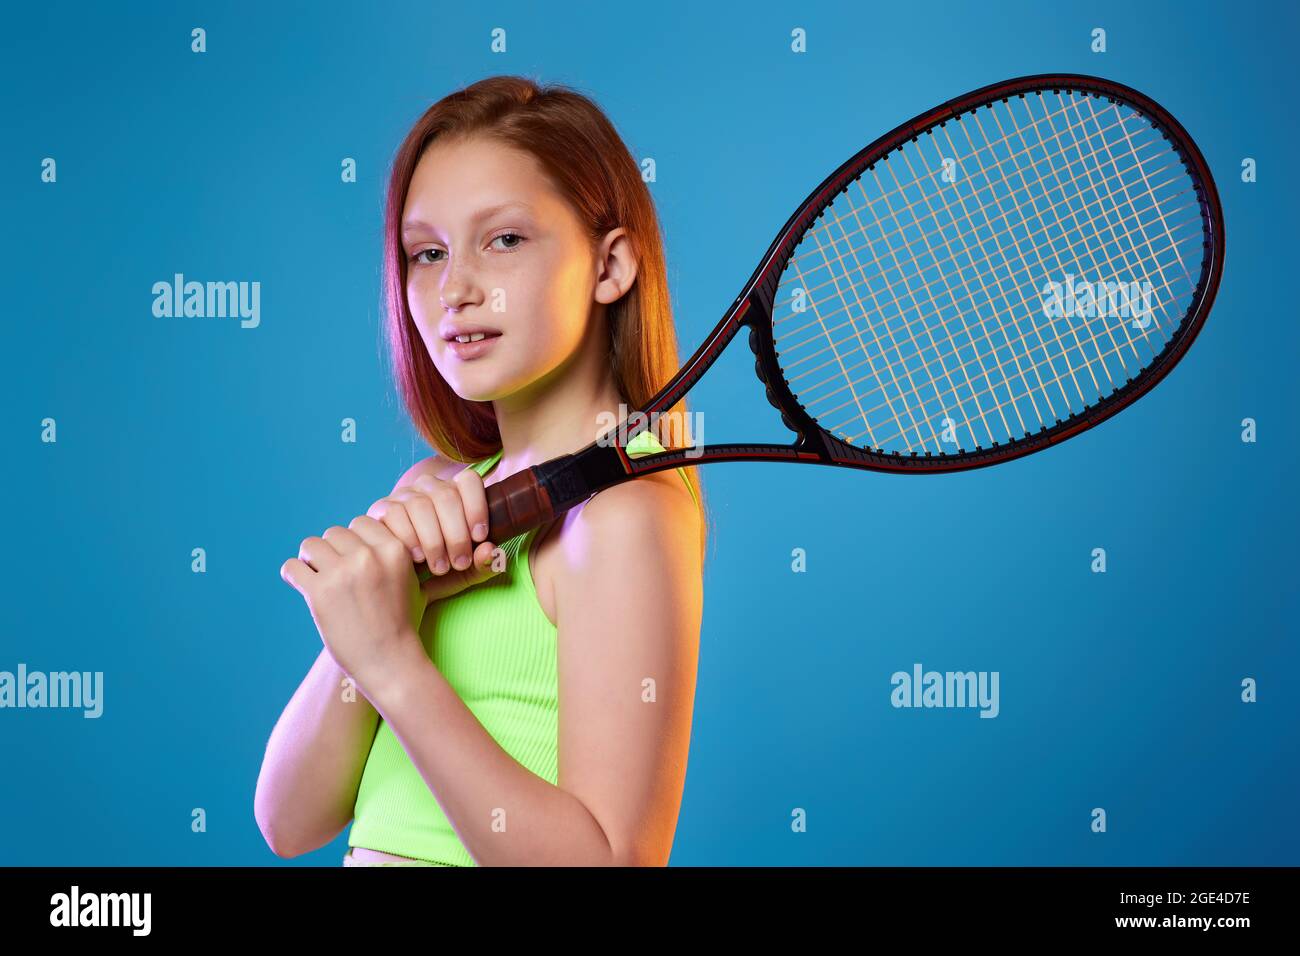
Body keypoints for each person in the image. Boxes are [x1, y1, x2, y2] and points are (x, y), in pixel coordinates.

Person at [254, 75, 707, 867]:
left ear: (611, 267)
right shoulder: (435, 495)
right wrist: (365, 631)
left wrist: (396, 662)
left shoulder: (625, 515)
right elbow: (288, 823)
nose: (454, 289)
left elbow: (609, 863)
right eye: (427, 253)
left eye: (504, 240)